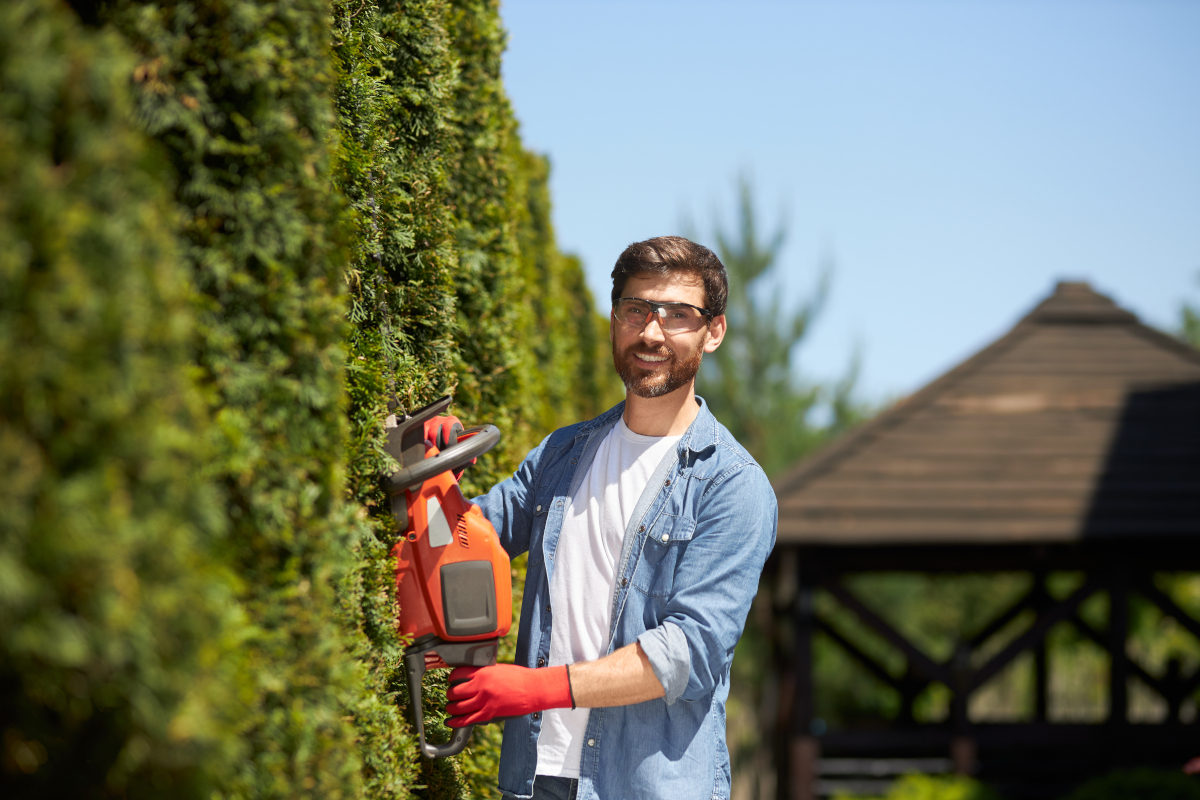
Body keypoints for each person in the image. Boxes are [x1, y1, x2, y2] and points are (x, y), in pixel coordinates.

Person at [439, 236, 777, 800]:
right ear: (615, 319)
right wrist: (437, 479)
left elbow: (687, 654)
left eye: (677, 315)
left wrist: (535, 689)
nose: (650, 331)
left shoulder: (733, 486)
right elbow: (472, 539)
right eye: (636, 309)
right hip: (537, 779)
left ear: (713, 332)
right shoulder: (562, 453)